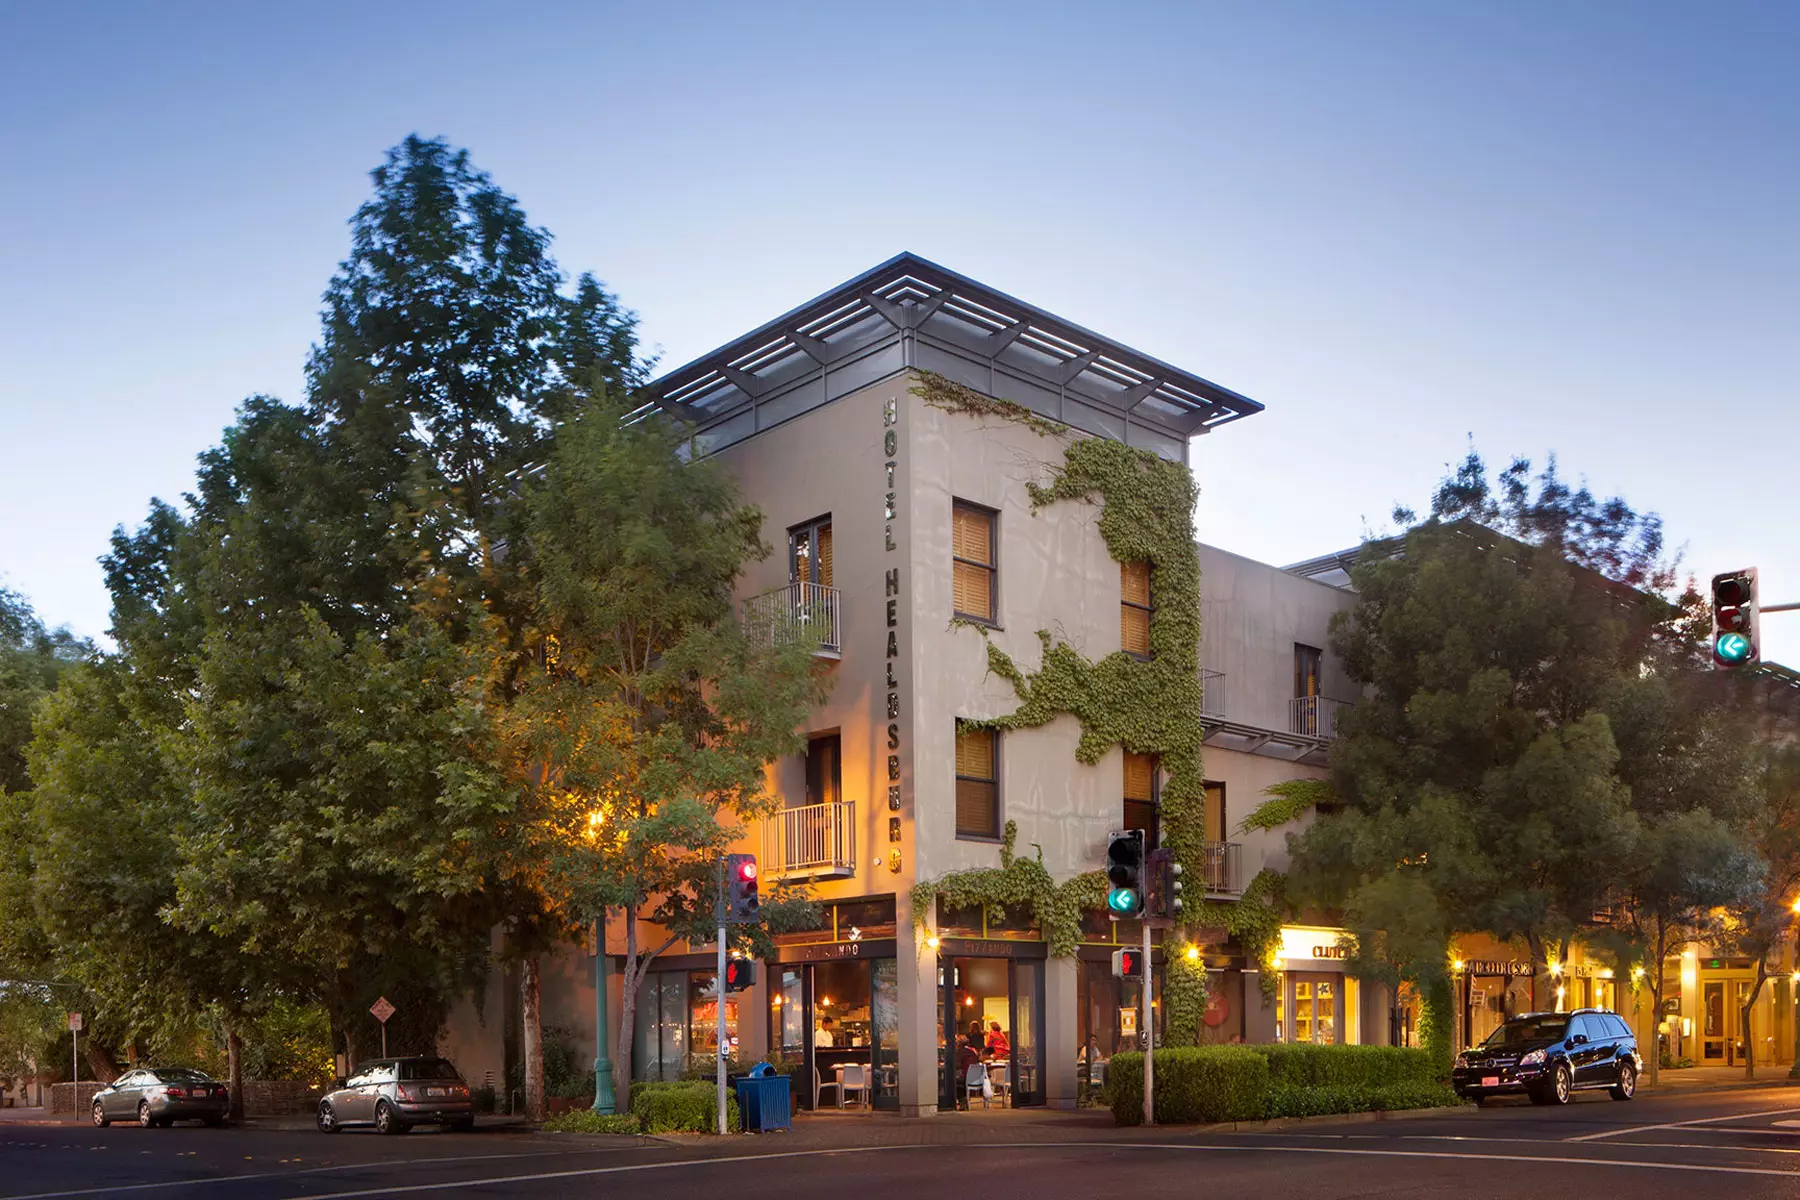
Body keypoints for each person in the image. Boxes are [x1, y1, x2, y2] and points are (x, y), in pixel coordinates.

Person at [955, 1036, 984, 1109]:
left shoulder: (959, 1052)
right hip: (976, 1079)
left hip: (964, 1077)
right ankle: (964, 1100)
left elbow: (956, 1065)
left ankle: (962, 1101)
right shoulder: (972, 1052)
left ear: (958, 1044)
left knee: (953, 1081)